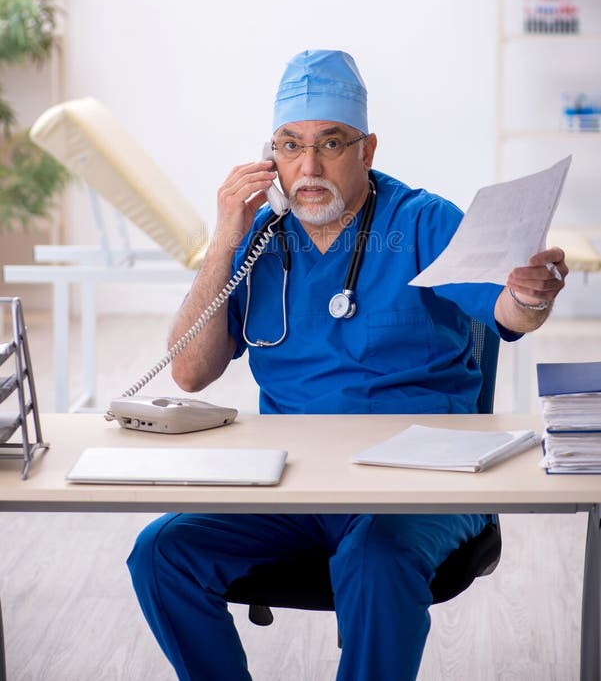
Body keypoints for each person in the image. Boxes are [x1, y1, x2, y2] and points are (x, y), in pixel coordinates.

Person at [127, 49, 567, 681]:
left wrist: (531, 294)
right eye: (290, 146)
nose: (308, 167)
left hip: (419, 487)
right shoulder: (259, 239)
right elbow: (190, 373)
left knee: (377, 557)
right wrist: (225, 237)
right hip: (298, 486)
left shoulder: (422, 221)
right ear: (270, 158)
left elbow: (508, 309)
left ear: (367, 150)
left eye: (331, 144)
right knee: (162, 552)